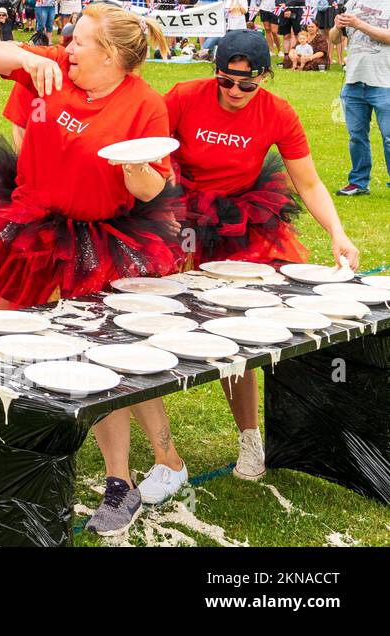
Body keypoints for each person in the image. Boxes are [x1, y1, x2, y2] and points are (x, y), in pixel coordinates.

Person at [0, 4, 182, 536]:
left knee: (106, 358)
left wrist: (136, 171)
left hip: (102, 238)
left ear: (110, 55)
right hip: (34, 227)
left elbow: (159, 191)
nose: (69, 45)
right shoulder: (57, 65)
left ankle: (122, 481)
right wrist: (18, 54)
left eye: (81, 41)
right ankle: (17, 452)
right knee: (3, 331)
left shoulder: (145, 104)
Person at [128, 30, 362, 501]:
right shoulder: (184, 96)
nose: (234, 92)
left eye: (246, 84)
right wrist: (165, 202)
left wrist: (337, 233)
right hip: (179, 208)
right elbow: (151, 152)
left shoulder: (277, 112)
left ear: (264, 78)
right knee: (144, 316)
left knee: (240, 330)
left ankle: (250, 438)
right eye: (225, 81)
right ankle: (162, 450)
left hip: (241, 217)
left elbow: (310, 182)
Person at [335, 0, 390, 196]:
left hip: (385, 80)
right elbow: (335, 40)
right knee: (356, 136)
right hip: (354, 78)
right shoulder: (354, 1)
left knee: (389, 138)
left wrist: (359, 24)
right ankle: (358, 182)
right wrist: (337, 27)